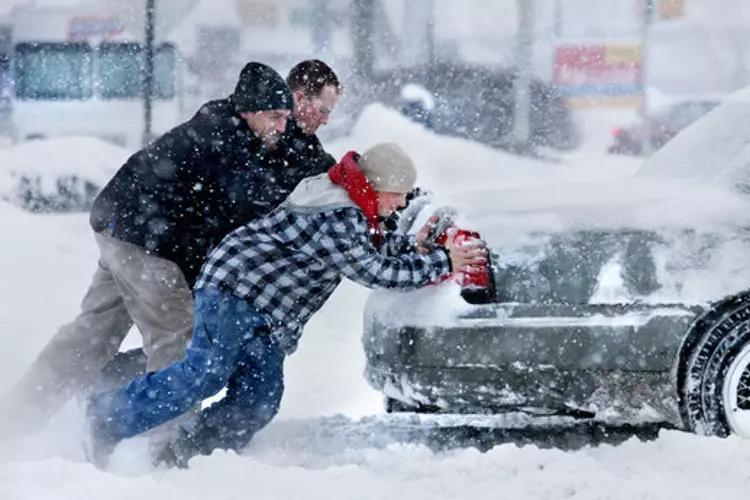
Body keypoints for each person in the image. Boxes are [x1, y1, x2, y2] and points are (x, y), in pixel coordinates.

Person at [85, 143, 488, 469]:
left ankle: (190, 457)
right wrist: (444, 262)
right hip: (233, 289)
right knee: (204, 374)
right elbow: (373, 269)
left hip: (268, 313)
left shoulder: (355, 202)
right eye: (398, 196)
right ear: (379, 187)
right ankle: (105, 416)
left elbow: (373, 243)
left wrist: (417, 249)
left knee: (259, 397)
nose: (400, 205)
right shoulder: (338, 212)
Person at [0, 60, 340, 439]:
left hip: (121, 225)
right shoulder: (229, 140)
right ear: (262, 108)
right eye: (321, 109)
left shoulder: (251, 129)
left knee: (92, 335)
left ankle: (17, 419)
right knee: (180, 341)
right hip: (146, 241)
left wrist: (351, 185)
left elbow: (305, 173)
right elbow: (245, 208)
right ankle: (158, 445)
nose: (321, 120)